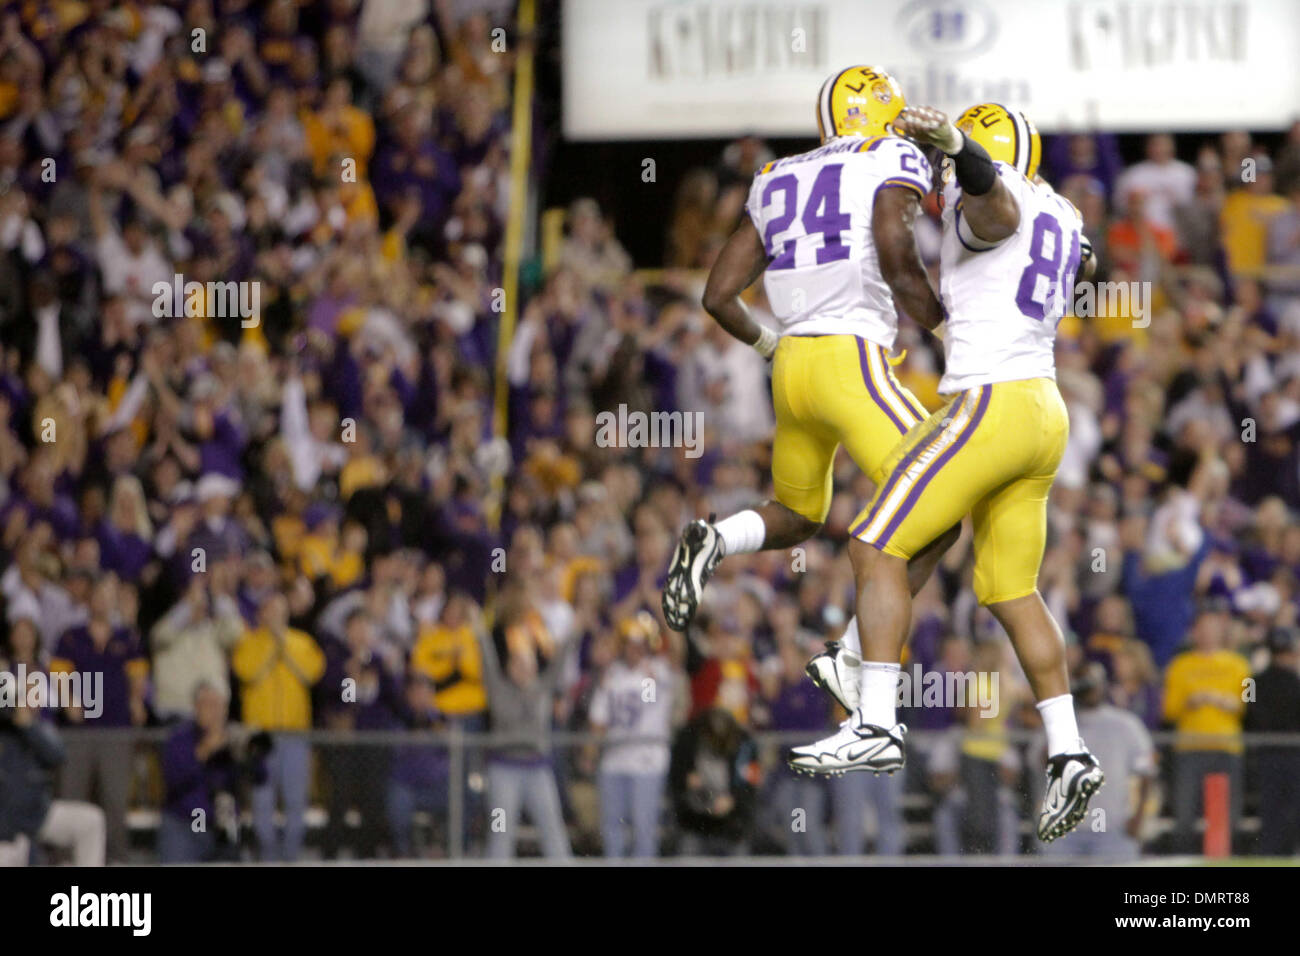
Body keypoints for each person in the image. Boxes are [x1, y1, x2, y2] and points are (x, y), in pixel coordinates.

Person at [790, 103, 1105, 844]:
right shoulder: (1060, 207)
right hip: (1042, 411)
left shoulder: (990, 196)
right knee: (1009, 590)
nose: (939, 177)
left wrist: (962, 150)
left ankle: (874, 718)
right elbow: (1089, 263)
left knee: (873, 544)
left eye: (948, 164)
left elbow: (991, 207)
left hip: (992, 403)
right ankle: (1068, 748)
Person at [661, 66, 958, 649]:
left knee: (799, 516)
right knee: (944, 503)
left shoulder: (776, 175)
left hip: (792, 366)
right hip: (850, 359)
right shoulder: (890, 156)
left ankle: (716, 540)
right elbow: (899, 257)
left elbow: (717, 296)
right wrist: (951, 326)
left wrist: (769, 344)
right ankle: (853, 654)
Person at [231, 592, 326, 862]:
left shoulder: (302, 641)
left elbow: (310, 674)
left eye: (280, 610)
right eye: (270, 610)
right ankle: (269, 858)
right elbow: (249, 673)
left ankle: (291, 857)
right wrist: (272, 644)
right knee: (262, 802)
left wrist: (282, 642)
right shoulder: (248, 643)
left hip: (295, 735)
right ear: (261, 614)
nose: (275, 616)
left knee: (296, 801)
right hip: (260, 735)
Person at [1041, 664, 1156, 861]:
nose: (1090, 688)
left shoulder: (1125, 724)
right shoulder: (1060, 723)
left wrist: (1138, 818)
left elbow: (1146, 772)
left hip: (1112, 827)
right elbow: (1041, 761)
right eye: (1083, 682)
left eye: (1093, 682)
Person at [1162, 599, 1251, 853]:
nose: (1209, 632)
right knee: (1185, 812)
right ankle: (1183, 859)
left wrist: (1228, 702)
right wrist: (1191, 702)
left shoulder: (1239, 665)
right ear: (1195, 631)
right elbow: (1169, 709)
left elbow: (1250, 702)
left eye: (1214, 627)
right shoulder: (1180, 665)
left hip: (1227, 747)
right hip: (1190, 747)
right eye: (1204, 627)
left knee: (1228, 815)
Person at [589, 612, 676, 858]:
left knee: (643, 826)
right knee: (611, 826)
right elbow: (598, 718)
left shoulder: (658, 671)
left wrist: (667, 618)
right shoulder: (612, 674)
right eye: (629, 643)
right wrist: (591, 752)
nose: (634, 649)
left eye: (640, 643)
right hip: (614, 759)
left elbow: (679, 652)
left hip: (646, 761)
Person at [668, 707, 760, 856]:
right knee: (688, 853)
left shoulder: (745, 745)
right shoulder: (688, 740)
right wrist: (686, 779)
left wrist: (733, 799)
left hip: (733, 823)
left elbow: (751, 783)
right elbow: (675, 775)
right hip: (695, 821)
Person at [1243, 626, 1300, 855]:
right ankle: (1284, 851)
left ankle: (1271, 852)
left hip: (1268, 752)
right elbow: (1249, 711)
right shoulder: (1293, 681)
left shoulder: (1252, 681)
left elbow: (1248, 714)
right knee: (1288, 807)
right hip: (1289, 751)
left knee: (1272, 808)